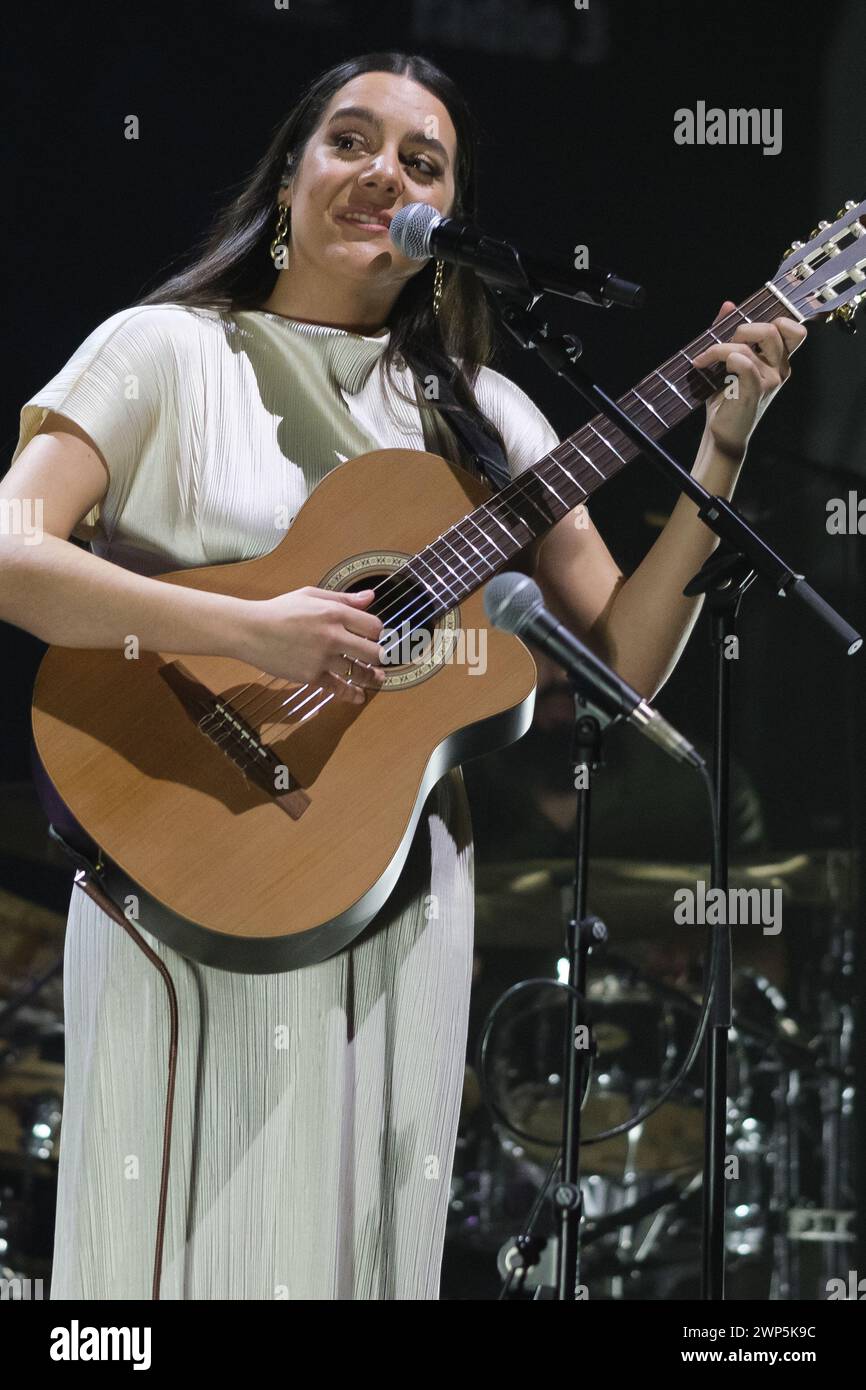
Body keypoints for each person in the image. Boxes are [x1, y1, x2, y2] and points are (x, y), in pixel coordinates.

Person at [0, 51, 804, 1300]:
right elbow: (13, 556)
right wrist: (253, 630)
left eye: (421, 163)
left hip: (395, 883)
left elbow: (620, 663)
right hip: (180, 843)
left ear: (448, 224)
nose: (384, 173)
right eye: (350, 141)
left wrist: (720, 453)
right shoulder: (160, 351)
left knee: (359, 1253)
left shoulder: (487, 415)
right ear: (288, 179)